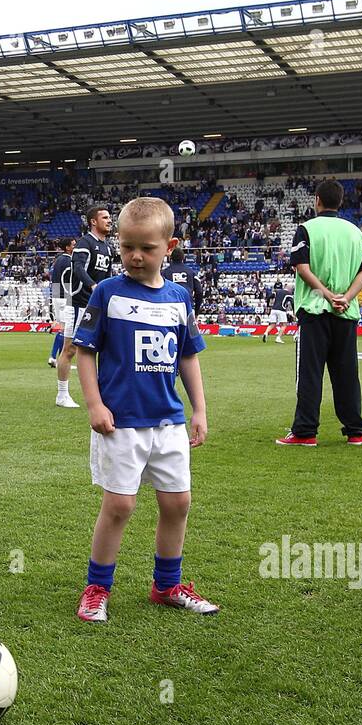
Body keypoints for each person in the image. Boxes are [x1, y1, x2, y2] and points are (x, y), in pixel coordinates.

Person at [72, 197, 216, 623]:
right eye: (127, 246)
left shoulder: (179, 298)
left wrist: (199, 410)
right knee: (119, 506)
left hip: (168, 420)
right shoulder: (107, 292)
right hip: (121, 424)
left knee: (178, 503)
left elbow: (188, 357)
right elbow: (84, 351)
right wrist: (94, 404)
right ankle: (97, 587)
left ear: (169, 246)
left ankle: (167, 585)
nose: (135, 256)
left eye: (147, 248)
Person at [277, 179, 362, 446]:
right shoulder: (355, 232)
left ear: (317, 199)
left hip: (315, 309)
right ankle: (356, 431)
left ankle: (305, 432)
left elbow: (301, 267)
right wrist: (345, 298)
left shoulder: (307, 229)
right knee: (347, 373)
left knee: (310, 373)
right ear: (340, 201)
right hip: (346, 312)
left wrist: (327, 295)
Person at [57, 204, 114, 408]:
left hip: (97, 305)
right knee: (70, 349)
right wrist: (93, 286)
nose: (109, 220)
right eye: (105, 217)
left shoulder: (108, 247)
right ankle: (62, 394)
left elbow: (107, 275)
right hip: (79, 303)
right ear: (93, 221)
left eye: (109, 217)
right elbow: (78, 267)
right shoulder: (84, 242)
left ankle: (102, 393)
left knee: (100, 348)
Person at [47, 237, 74, 367]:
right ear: (67, 247)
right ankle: (55, 357)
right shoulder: (69, 260)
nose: (75, 247)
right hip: (65, 296)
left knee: (63, 328)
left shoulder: (58, 260)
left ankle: (55, 358)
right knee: (66, 329)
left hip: (57, 294)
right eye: (73, 244)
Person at [161, 245, 203, 316]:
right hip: (187, 307)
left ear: (171, 258)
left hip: (169, 308)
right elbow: (199, 292)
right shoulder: (191, 272)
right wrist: (196, 311)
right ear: (183, 258)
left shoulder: (164, 273)